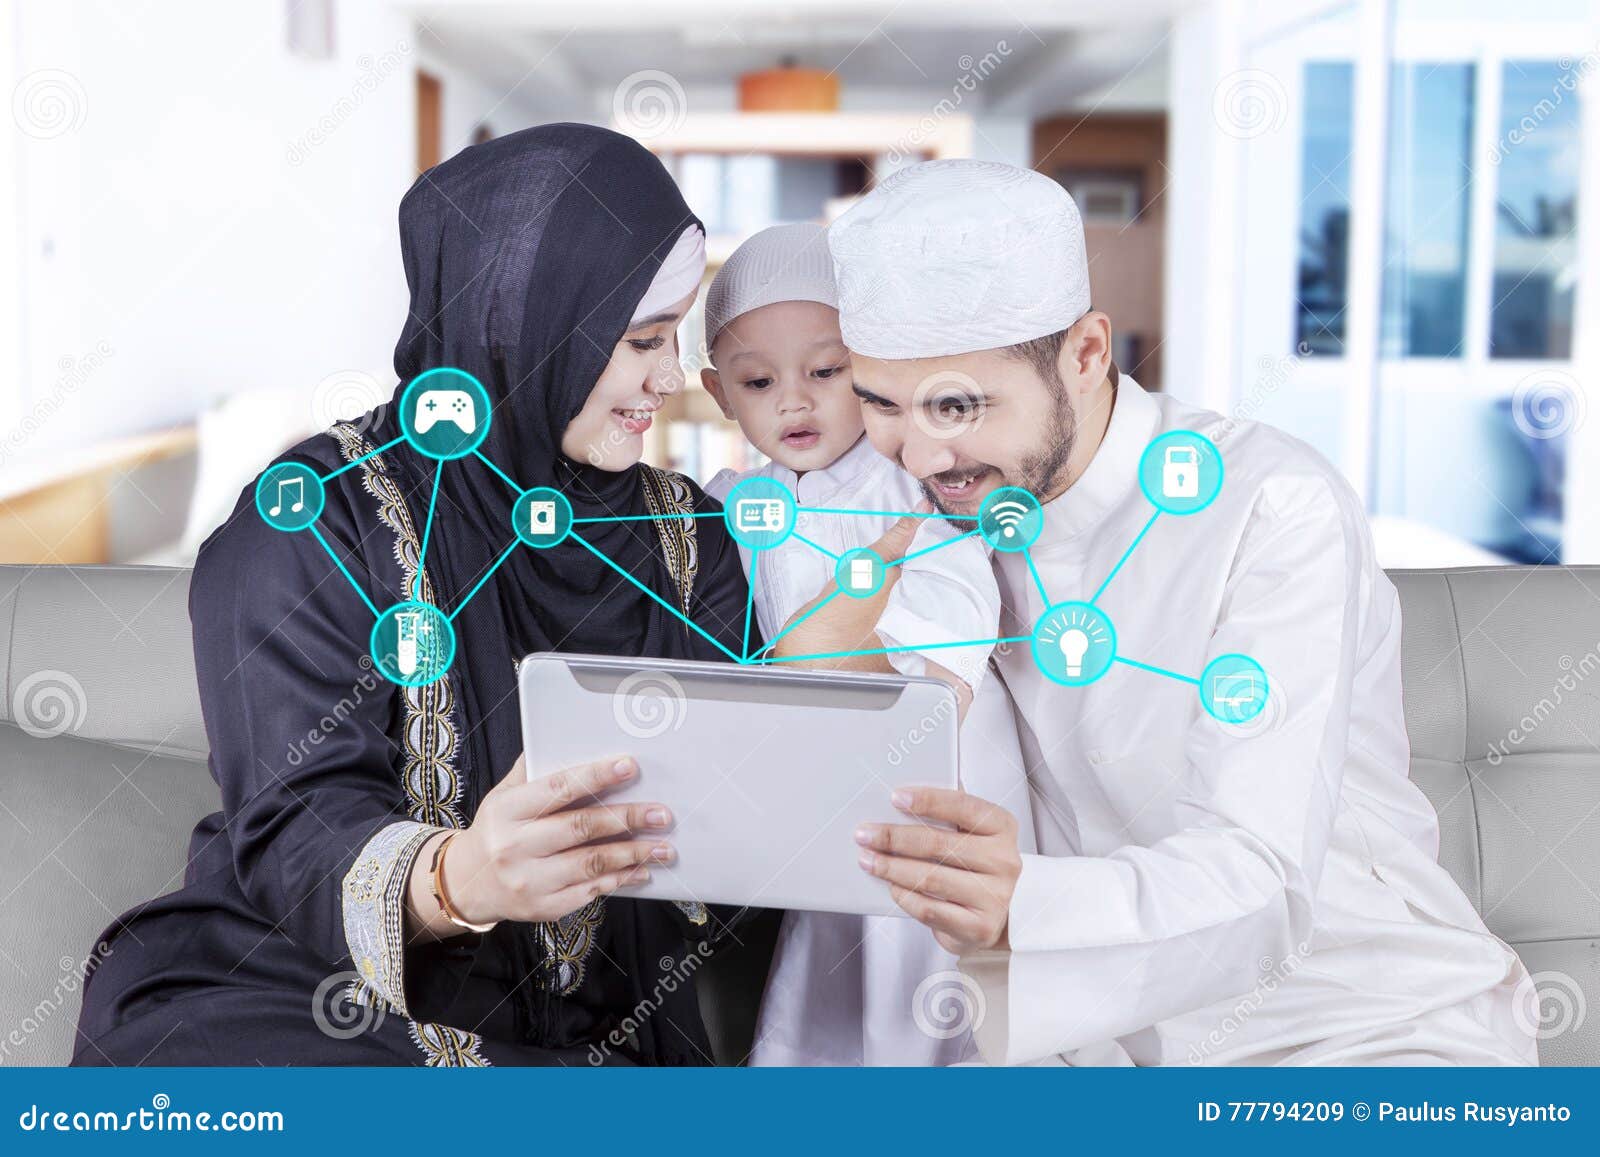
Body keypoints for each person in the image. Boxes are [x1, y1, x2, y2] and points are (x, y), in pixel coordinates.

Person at [781, 159, 1537, 1066]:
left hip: (1359, 1026)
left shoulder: (1272, 505)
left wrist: (1021, 901)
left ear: (1089, 353)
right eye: (882, 404)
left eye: (958, 404)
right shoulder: (940, 524)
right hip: (1101, 1047)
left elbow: (1260, 876)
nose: (919, 448)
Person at [72, 124, 753, 1066]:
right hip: (307, 999)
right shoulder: (314, 522)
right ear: (530, 321)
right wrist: (462, 878)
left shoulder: (690, 540)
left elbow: (739, 812)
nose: (672, 381)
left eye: (674, 336)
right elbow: (293, 822)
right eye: (642, 340)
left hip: (586, 1025)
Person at [697, 222, 1031, 1065]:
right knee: (835, 953)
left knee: (930, 956)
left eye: (826, 371)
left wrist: (908, 692)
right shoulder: (732, 501)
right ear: (717, 392)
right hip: (821, 782)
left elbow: (957, 602)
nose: (795, 402)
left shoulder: (906, 485)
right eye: (759, 380)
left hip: (931, 761)